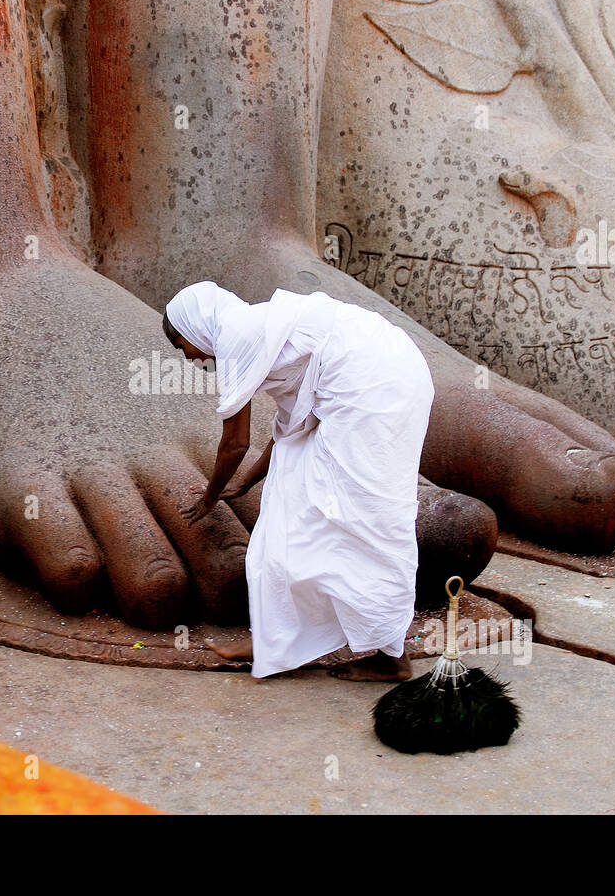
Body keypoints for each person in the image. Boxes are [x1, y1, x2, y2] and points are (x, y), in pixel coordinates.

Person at [163, 281, 435, 681]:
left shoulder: (237, 335)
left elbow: (235, 443)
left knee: (364, 517)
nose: (187, 357)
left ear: (195, 327)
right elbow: (289, 432)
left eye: (181, 345)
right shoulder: (258, 331)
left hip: (377, 387)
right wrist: (247, 484)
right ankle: (274, 638)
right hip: (384, 376)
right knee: (289, 500)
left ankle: (390, 655)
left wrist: (210, 496)